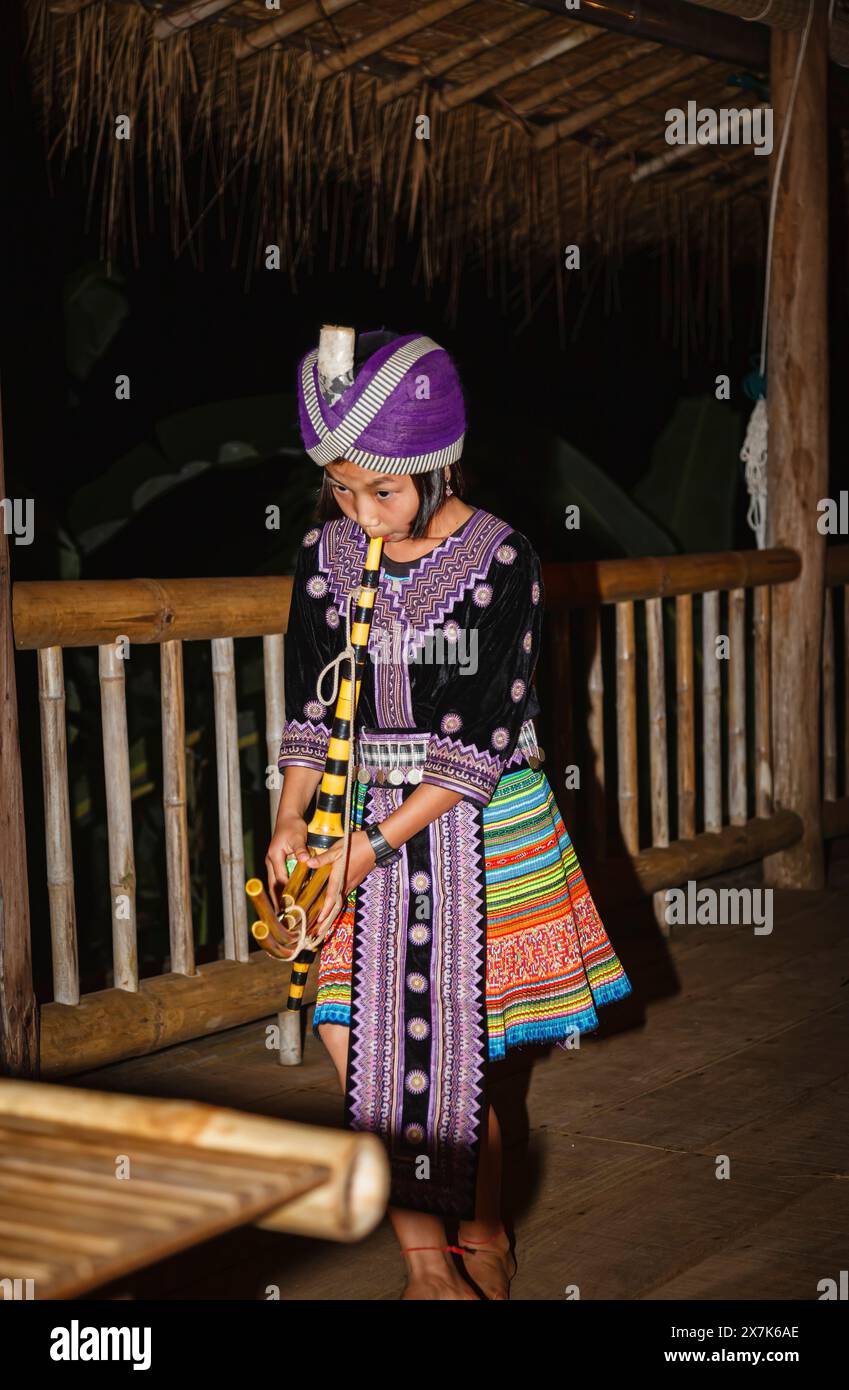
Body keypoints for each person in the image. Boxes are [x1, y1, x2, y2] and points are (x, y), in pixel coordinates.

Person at [266, 327, 632, 1301]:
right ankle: (425, 1264)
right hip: (349, 823)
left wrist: (368, 846)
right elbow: (309, 702)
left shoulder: (501, 557)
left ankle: (483, 1233)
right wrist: (291, 818)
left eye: (379, 489)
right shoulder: (326, 553)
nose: (359, 510)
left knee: (451, 1057)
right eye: (341, 488)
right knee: (359, 1056)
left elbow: (480, 742)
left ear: (438, 464)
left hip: (470, 821)